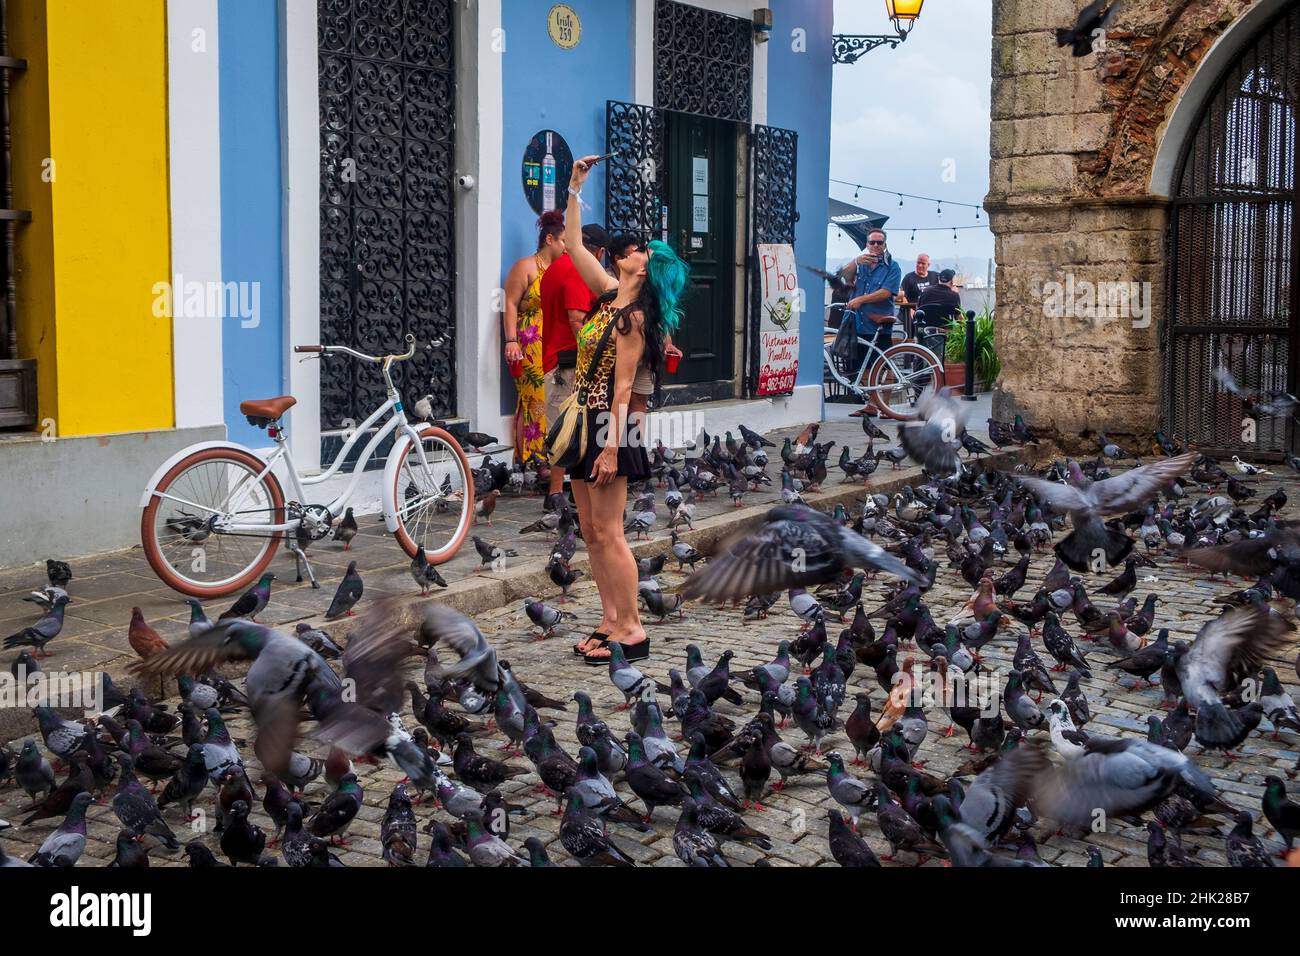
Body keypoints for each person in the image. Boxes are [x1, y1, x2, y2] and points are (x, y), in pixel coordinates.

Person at [562, 153, 689, 664]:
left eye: (644, 251)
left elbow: (622, 391)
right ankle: (609, 618)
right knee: (590, 531)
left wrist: (612, 448)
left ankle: (632, 629)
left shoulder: (634, 317)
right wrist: (574, 186)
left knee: (610, 532)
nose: (634, 250)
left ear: (647, 268)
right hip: (584, 421)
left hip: (611, 429)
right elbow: (571, 244)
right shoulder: (609, 296)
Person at [539, 222, 610, 502]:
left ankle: (558, 492)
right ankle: (557, 494)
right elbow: (577, 320)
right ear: (600, 252)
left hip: (553, 359)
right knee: (568, 431)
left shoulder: (554, 267)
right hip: (568, 364)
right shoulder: (579, 270)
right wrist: (595, 360)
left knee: (561, 427)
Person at [503, 210, 566, 463]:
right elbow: (510, 303)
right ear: (549, 239)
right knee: (532, 399)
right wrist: (511, 341)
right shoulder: (525, 267)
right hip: (529, 346)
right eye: (562, 241)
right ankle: (530, 458)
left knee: (554, 398)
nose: (565, 247)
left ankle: (550, 456)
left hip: (555, 344)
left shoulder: (561, 269)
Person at [839, 229, 901, 417]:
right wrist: (855, 261)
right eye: (872, 242)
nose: (875, 246)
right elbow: (844, 278)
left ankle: (886, 406)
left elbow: (886, 292)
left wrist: (861, 300)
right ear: (866, 244)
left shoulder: (893, 266)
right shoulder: (861, 264)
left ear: (884, 246)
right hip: (859, 321)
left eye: (879, 243)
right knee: (863, 364)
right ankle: (872, 405)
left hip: (880, 321)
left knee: (884, 364)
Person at [915, 268, 964, 364]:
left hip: (923, 332)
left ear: (939, 279)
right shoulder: (953, 296)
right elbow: (959, 319)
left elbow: (918, 310)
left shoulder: (926, 292)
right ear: (952, 281)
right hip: (943, 334)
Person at [899, 253, 937, 336]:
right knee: (914, 322)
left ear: (928, 265)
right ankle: (913, 342)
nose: (920, 265)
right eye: (918, 263)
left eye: (923, 263)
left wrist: (953, 287)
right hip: (912, 310)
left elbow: (945, 283)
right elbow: (902, 296)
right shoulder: (908, 278)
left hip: (929, 310)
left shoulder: (934, 276)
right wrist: (909, 308)